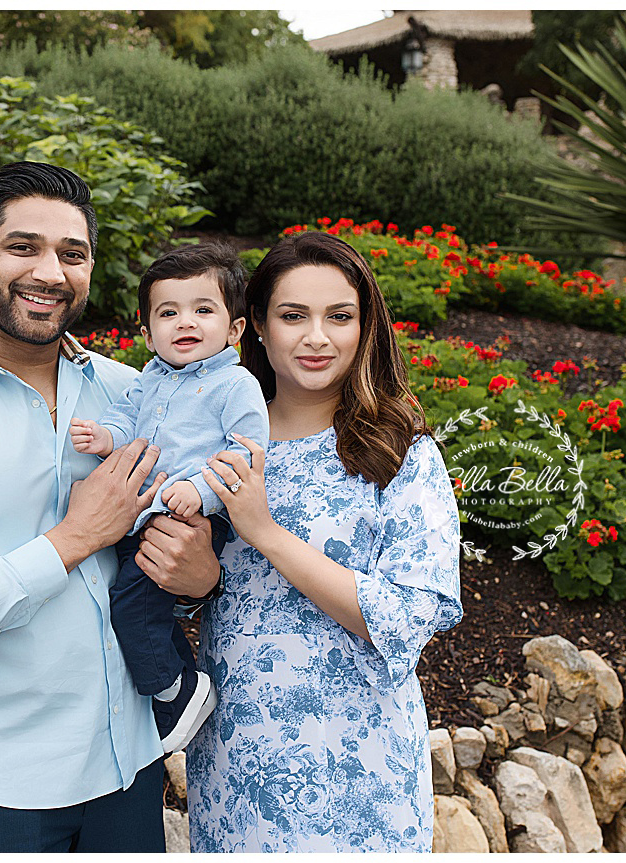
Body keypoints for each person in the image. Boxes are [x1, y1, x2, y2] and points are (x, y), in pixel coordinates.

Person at [0, 161, 222, 853]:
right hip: (8, 787)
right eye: (23, 247)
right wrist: (73, 537)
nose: (50, 272)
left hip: (132, 764)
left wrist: (202, 580)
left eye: (72, 254)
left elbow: (167, 559)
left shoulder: (133, 396)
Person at [184, 231, 463, 852]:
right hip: (238, 760)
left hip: (362, 769)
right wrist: (195, 579)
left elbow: (403, 617)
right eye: (293, 316)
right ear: (253, 325)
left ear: (366, 329)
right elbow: (188, 592)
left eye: (340, 317)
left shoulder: (402, 455)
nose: (317, 337)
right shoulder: (217, 447)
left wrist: (263, 532)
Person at [69, 244, 269, 754]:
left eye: (203, 310)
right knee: (132, 599)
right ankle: (180, 679)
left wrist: (199, 490)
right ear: (147, 331)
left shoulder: (235, 384)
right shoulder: (150, 378)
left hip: (193, 516)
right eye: (168, 312)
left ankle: (171, 693)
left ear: (235, 329)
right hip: (145, 515)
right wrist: (104, 437)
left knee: (133, 606)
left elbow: (246, 456)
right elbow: (124, 417)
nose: (186, 322)